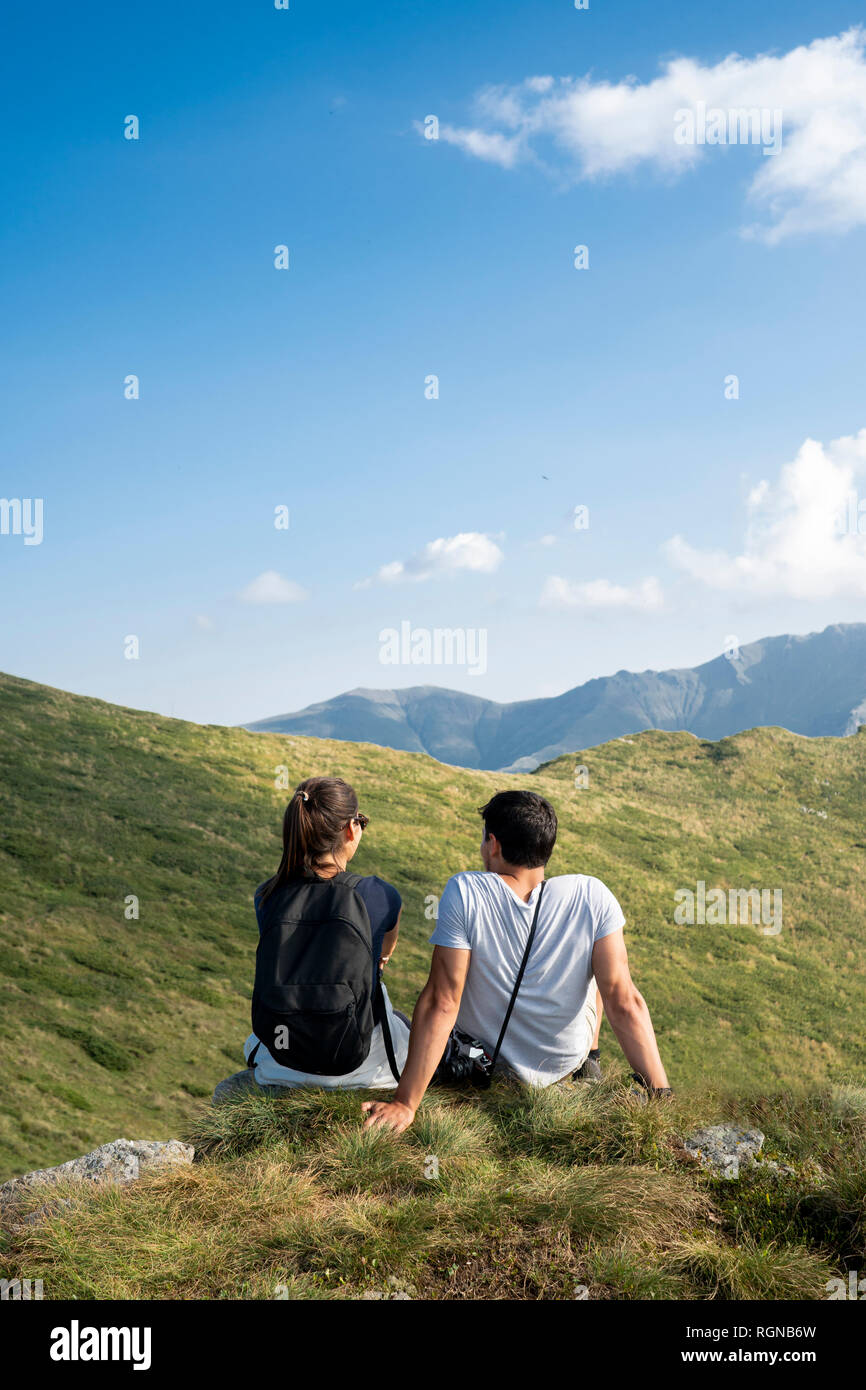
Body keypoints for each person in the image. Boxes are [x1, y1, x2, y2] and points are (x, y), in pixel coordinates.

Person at [362, 789, 669, 1133]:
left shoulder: (466, 891)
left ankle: (580, 1062)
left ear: (493, 843)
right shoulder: (591, 895)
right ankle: (588, 1064)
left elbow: (442, 1001)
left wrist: (405, 1103)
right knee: (603, 972)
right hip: (562, 1062)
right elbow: (624, 1002)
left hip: (481, 1062)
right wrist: (661, 1094)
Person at [213, 776, 410, 1102]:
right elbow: (383, 956)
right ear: (350, 830)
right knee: (403, 1022)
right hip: (357, 1064)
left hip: (282, 1059)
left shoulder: (268, 895)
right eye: (360, 821)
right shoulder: (379, 895)